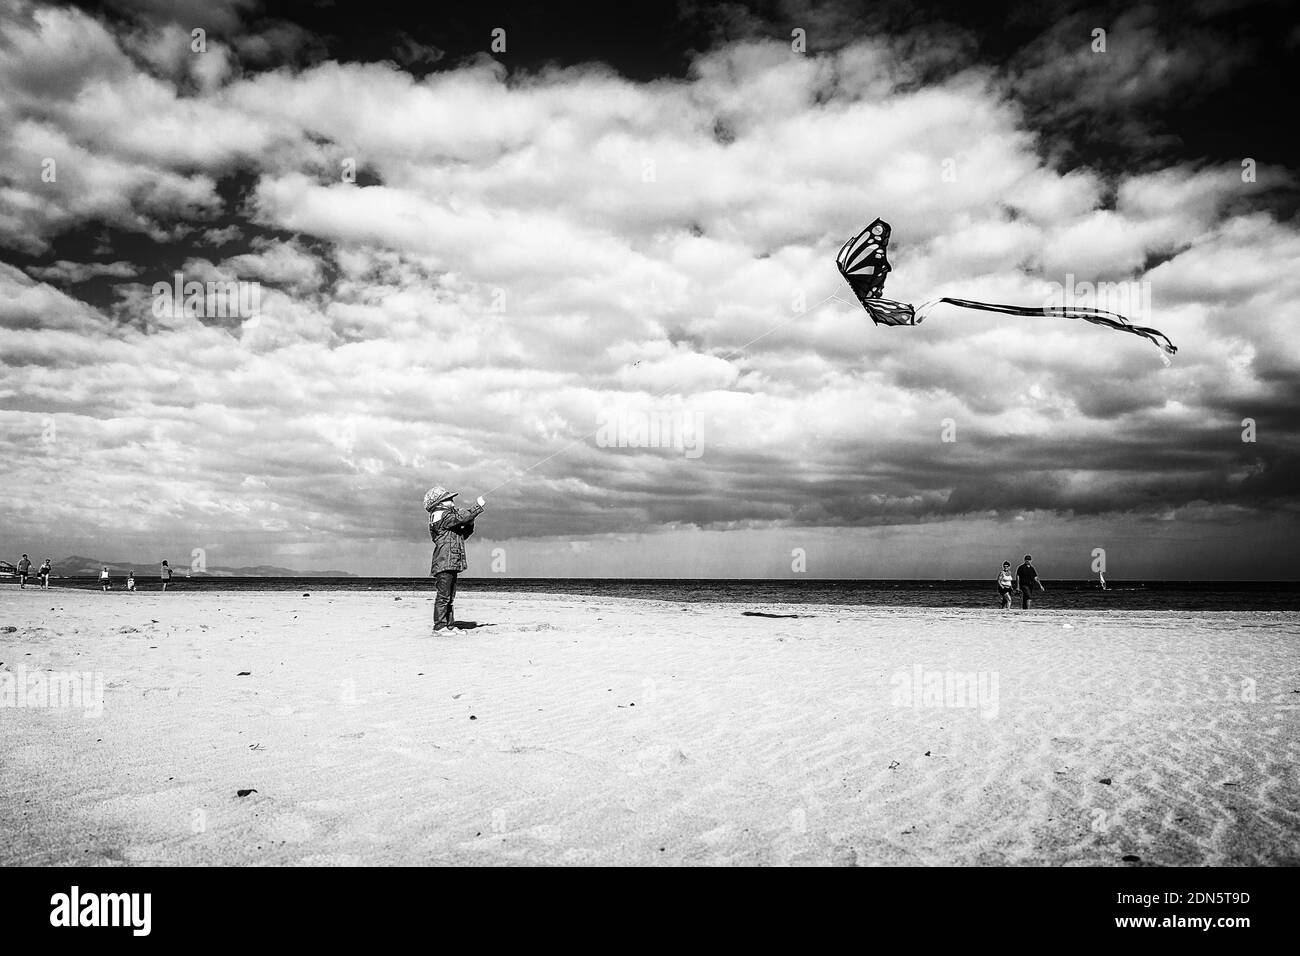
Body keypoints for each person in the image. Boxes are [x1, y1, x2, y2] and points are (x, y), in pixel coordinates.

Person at [424, 485, 486, 632]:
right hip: (444, 561)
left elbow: (462, 535)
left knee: (450, 597)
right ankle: (440, 626)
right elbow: (460, 517)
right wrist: (477, 507)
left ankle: (449, 625)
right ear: (440, 503)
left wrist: (470, 524)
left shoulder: (447, 518)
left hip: (451, 561)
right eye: (448, 498)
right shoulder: (441, 516)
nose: (452, 500)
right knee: (444, 596)